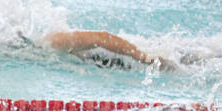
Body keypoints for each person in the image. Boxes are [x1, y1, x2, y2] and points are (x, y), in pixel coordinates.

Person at [13, 29, 178, 72]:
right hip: (111, 64)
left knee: (181, 64)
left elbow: (101, 37)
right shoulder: (42, 54)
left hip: (128, 60)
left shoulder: (50, 42)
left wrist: (143, 57)